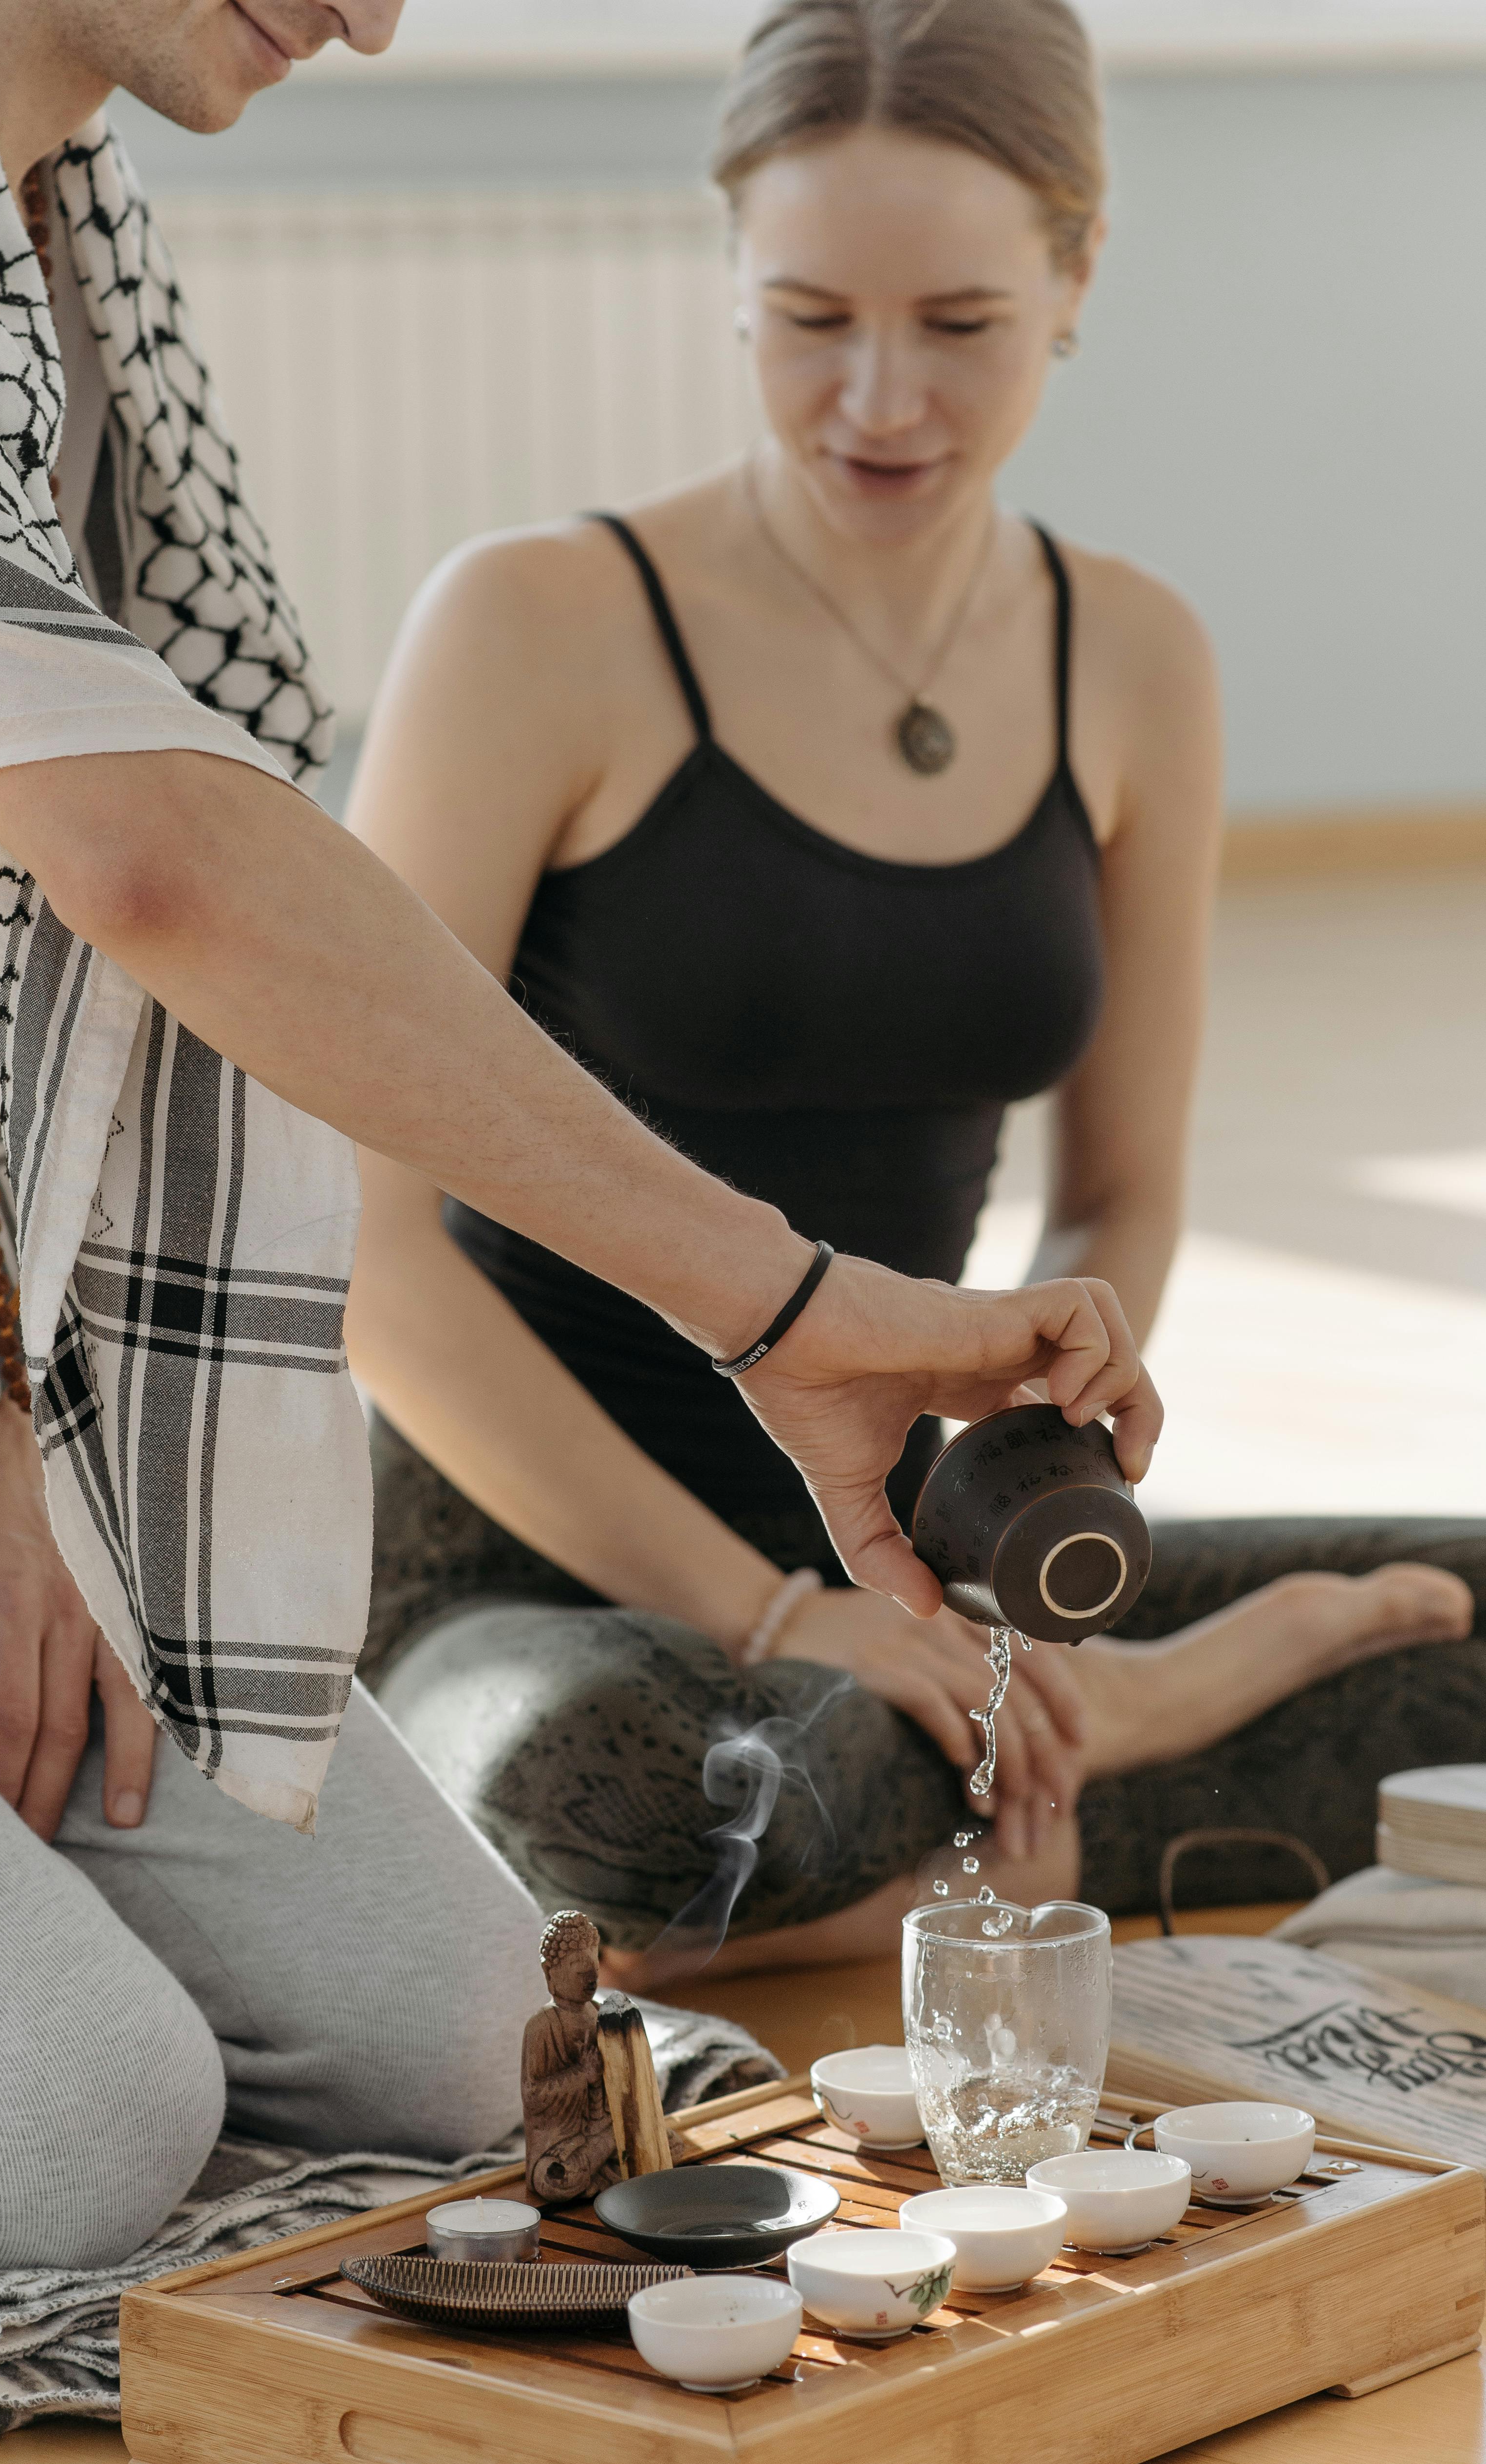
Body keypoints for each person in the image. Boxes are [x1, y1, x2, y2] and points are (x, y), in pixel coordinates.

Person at [0, 0, 1156, 2274]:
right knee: (63, 2137)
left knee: (460, 2049)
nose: (380, 14)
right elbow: (159, 869)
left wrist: (19, 1427)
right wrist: (787, 1313)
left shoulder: (38, 246)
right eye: (814, 313)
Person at [344, 0, 1482, 1984]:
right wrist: (787, 1623)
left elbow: (1118, 1190)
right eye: (808, 320)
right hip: (532, 1581)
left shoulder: (1129, 656)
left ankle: (1023, 1766)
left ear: (1075, 278)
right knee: (654, 1798)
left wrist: (1026, 1531)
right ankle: (1128, 1746)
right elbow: (372, 1269)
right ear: (730, 278)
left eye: (959, 325)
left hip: (917, 1565)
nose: (880, 399)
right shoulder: (533, 629)